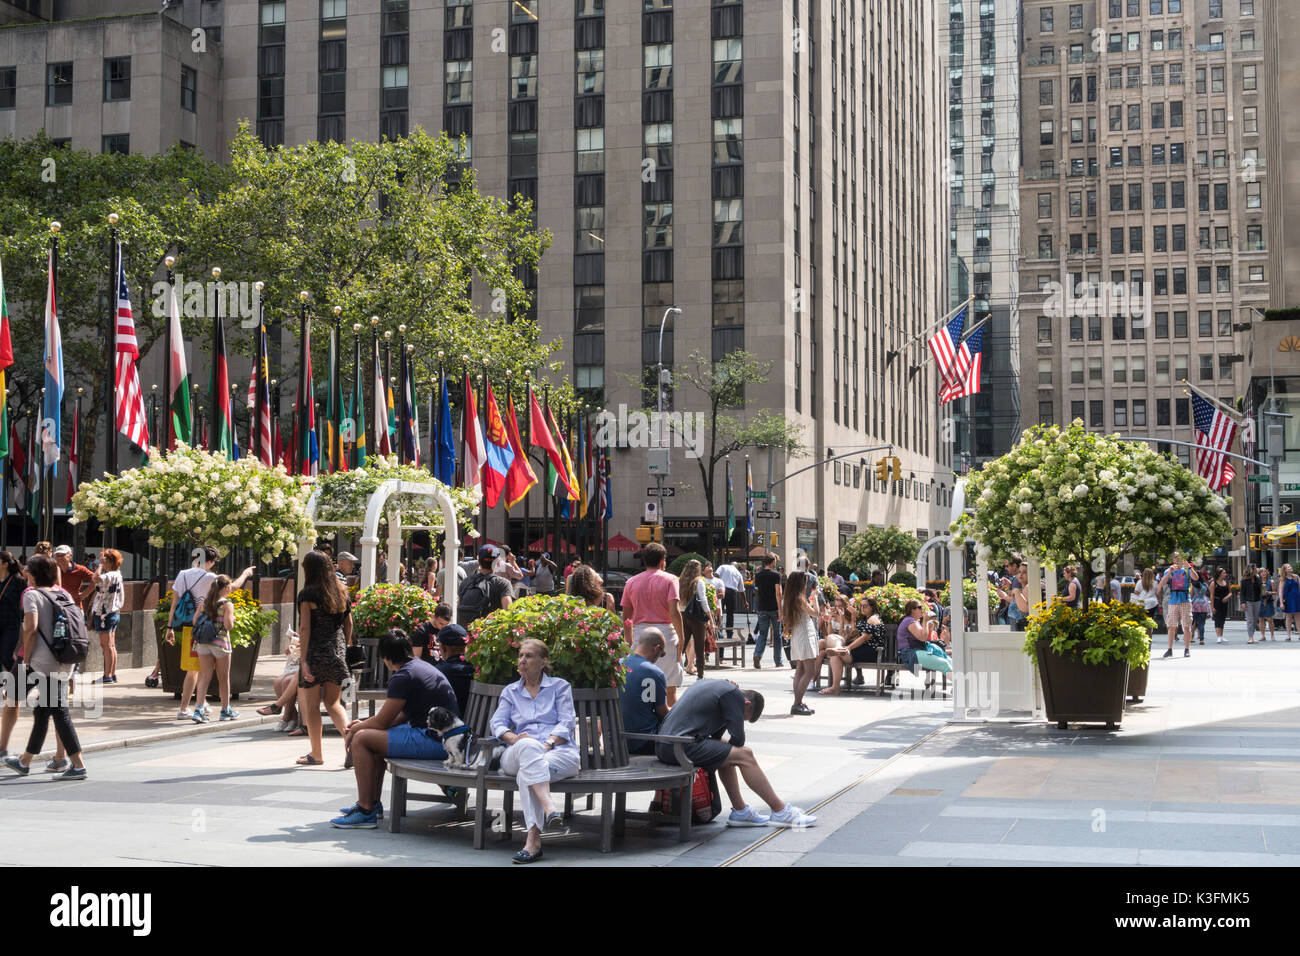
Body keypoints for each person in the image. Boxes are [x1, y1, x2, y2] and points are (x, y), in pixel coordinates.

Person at [332, 628, 460, 829]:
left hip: (436, 742)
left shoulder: (403, 676)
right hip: (445, 739)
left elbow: (383, 722)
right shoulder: (418, 667)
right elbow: (398, 716)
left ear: (386, 658)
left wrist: (356, 730)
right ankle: (372, 803)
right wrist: (364, 726)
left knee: (362, 740)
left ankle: (366, 810)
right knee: (370, 738)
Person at [655, 678, 815, 828]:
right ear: (746, 704)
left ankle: (740, 811)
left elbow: (718, 739)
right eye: (743, 717)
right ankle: (781, 811)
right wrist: (733, 723)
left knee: (727, 752)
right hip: (679, 746)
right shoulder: (733, 695)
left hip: (666, 745)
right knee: (745, 755)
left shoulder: (715, 686)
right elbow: (738, 739)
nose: (737, 718)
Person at [490, 639, 580, 864]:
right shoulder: (510, 692)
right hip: (517, 753)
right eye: (520, 655)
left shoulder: (560, 687)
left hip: (558, 752)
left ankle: (533, 841)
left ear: (544, 661)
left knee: (528, 774)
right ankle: (549, 808)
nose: (522, 660)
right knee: (528, 746)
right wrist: (514, 738)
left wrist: (547, 744)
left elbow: (567, 722)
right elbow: (497, 723)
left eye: (529, 656)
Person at [2, 555, 87, 780]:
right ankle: (25, 761)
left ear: (33, 573)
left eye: (28, 569)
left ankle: (78, 764)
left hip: (41, 662)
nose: (25, 572)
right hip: (65, 659)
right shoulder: (63, 592)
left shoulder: (32, 595)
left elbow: (30, 628)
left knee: (58, 711)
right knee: (43, 711)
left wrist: (25, 659)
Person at [164, 549, 255, 720]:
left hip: (192, 629)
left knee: (195, 671)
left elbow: (174, 603)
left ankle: (195, 706)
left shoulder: (182, 574)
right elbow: (232, 587)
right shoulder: (210, 578)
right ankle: (192, 708)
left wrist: (170, 628)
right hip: (212, 630)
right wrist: (246, 573)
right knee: (206, 673)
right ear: (210, 561)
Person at [295, 550, 353, 766]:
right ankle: (351, 743)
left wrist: (303, 660)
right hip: (337, 652)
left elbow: (305, 628)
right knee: (334, 703)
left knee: (310, 707)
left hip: (315, 652)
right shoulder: (341, 591)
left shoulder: (308, 594)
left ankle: (316, 754)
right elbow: (349, 624)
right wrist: (344, 648)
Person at [621, 543, 686, 705]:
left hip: (640, 636)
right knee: (670, 688)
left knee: (639, 683)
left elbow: (626, 616)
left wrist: (627, 639)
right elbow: (674, 612)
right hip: (666, 635)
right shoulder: (671, 579)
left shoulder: (631, 582)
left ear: (643, 560)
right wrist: (682, 637)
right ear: (663, 560)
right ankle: (668, 727)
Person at [190, 574, 241, 722]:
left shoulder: (204, 603)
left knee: (204, 676)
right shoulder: (227, 604)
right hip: (220, 644)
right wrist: (233, 618)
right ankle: (225, 710)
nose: (231, 588)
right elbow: (228, 626)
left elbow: (195, 622)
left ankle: (198, 710)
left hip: (203, 644)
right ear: (225, 587)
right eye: (230, 585)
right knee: (223, 678)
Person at [620, 628, 668, 755]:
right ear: (656, 648)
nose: (659, 657)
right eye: (662, 654)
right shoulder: (655, 673)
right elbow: (663, 714)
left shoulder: (617, 665)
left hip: (615, 742)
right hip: (644, 742)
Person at [782, 570, 820, 716]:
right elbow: (816, 614)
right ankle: (797, 704)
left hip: (798, 635)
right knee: (809, 671)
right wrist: (815, 599)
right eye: (804, 581)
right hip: (805, 634)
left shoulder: (789, 598)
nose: (806, 584)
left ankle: (798, 702)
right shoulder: (799, 598)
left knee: (800, 670)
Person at [0, 551, 26, 759]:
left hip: (11, 625)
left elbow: (25, 602)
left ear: (4, 563)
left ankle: (14, 681)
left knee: (6, 655)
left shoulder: (17, 581)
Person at [88, 548, 124, 685]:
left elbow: (95, 578)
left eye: (106, 560)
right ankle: (111, 674)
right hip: (113, 612)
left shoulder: (109, 575)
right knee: (111, 645)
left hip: (105, 613)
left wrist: (100, 565)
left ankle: (107, 675)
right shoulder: (117, 574)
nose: (104, 562)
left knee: (106, 645)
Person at [676, 559, 715, 680]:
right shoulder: (698, 582)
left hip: (682, 615)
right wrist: (710, 618)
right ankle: (700, 675)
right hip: (696, 616)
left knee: (681, 645)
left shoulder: (679, 581)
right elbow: (703, 601)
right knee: (699, 646)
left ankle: (673, 671)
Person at [457, 546, 513, 626]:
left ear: (479, 562)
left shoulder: (466, 581)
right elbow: (508, 611)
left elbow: (457, 607)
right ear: (497, 562)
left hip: (466, 632)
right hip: (489, 634)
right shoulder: (503, 583)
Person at [259, 631, 302, 731]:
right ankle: (294, 717)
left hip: (312, 663)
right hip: (299, 663)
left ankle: (285, 717)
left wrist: (299, 645)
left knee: (286, 681)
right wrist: (296, 641)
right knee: (277, 681)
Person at [1157, 554, 1198, 658]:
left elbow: (1196, 578)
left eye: (1179, 557)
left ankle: (1186, 649)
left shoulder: (1186, 569)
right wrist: (1170, 572)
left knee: (1187, 625)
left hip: (1185, 600)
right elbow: (1162, 583)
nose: (1177, 559)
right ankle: (1170, 649)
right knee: (1171, 626)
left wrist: (1189, 567)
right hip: (1173, 601)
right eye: (1175, 557)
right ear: (1173, 559)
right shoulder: (1169, 570)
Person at [895, 598, 950, 673]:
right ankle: (959, 683)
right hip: (909, 654)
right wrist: (925, 621)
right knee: (945, 664)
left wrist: (927, 623)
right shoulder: (909, 620)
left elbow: (925, 637)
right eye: (920, 607)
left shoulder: (915, 621)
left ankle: (960, 682)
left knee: (949, 660)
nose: (922, 609)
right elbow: (923, 638)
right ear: (912, 610)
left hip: (917, 651)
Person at [432, 623, 475, 716]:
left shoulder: (437, 673)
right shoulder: (476, 669)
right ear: (466, 646)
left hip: (448, 725)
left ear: (443, 648)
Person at [751, 554, 784, 669]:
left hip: (762, 607)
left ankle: (757, 654)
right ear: (772, 561)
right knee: (777, 635)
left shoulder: (758, 575)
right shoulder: (776, 575)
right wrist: (780, 609)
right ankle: (778, 661)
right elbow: (778, 592)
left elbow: (758, 591)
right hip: (774, 608)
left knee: (762, 634)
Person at [816, 597, 854, 694]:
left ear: (846, 606)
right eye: (836, 606)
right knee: (821, 642)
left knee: (822, 653)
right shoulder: (834, 616)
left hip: (843, 644)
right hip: (832, 643)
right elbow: (829, 634)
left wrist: (841, 621)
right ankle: (806, 672)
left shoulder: (850, 618)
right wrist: (829, 621)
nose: (838, 609)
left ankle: (810, 677)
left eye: (840, 606)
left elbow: (842, 637)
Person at [715, 559, 745, 640]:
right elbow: (742, 590)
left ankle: (718, 631)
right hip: (732, 593)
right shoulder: (738, 573)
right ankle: (729, 634)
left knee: (719, 611)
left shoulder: (723, 567)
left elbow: (716, 575)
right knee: (730, 614)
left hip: (722, 590)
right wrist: (745, 602)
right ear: (737, 567)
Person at [1209, 567, 1233, 644]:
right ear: (1219, 574)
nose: (1225, 574)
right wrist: (1212, 607)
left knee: (1222, 619)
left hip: (1224, 603)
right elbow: (1211, 595)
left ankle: (1221, 636)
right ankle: (1218, 636)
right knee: (1217, 619)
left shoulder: (1226, 582)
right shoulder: (1213, 583)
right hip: (1217, 602)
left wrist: (1227, 597)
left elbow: (1230, 592)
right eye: (1223, 573)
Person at [1189, 569, 1211, 646]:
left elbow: (1191, 595)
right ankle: (1201, 639)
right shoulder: (1205, 585)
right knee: (1201, 623)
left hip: (1195, 604)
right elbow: (1209, 593)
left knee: (1193, 622)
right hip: (1204, 604)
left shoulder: (1193, 585)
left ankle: (1191, 637)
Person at [1281, 564, 1300, 642]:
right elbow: (1280, 591)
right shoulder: (1283, 579)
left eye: (1290, 566)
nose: (1290, 567)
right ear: (1285, 570)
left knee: (1298, 617)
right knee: (1288, 617)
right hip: (1288, 599)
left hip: (1297, 598)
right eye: (1288, 567)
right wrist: (1281, 602)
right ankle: (1288, 635)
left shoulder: (1296, 577)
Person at [1258, 567, 1277, 642]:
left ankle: (1272, 635)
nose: (1263, 573)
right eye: (1261, 572)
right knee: (1261, 619)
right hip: (1260, 601)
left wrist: (1269, 592)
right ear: (1259, 574)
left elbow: (1275, 592)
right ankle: (1263, 636)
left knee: (1269, 619)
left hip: (1268, 601)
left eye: (1264, 572)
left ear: (1267, 573)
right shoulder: (1258, 582)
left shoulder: (1271, 581)